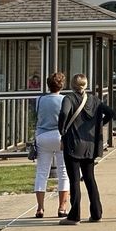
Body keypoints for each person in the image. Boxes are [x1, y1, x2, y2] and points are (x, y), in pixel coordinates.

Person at [58, 73, 115, 224]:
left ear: (72, 85)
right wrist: (98, 126)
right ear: (86, 84)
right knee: (90, 179)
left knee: (74, 180)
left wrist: (62, 130)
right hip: (90, 145)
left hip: (72, 144)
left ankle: (74, 215)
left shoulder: (69, 98)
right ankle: (96, 213)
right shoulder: (94, 100)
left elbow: (64, 112)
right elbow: (111, 112)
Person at [32, 72, 70, 218]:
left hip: (43, 136)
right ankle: (62, 207)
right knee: (63, 173)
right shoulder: (65, 99)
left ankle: (40, 208)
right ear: (62, 85)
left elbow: (37, 115)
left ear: (48, 85)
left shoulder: (40, 99)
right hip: (60, 136)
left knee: (42, 173)